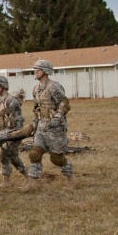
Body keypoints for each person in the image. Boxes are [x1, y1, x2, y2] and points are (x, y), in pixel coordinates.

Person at [24, 59, 75, 190]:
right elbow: (37, 107)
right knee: (34, 154)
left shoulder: (54, 87)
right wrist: (35, 122)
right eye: (34, 70)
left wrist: (57, 118)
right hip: (41, 126)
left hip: (55, 128)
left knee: (57, 158)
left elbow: (64, 104)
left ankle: (70, 180)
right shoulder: (36, 89)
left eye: (38, 70)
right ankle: (32, 183)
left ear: (46, 71)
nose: (35, 72)